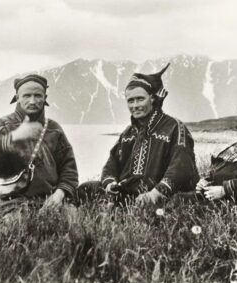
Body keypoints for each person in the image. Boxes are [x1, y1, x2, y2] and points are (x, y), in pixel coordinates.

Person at [78, 64, 199, 206]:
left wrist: (157, 193)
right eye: (130, 100)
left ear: (152, 98)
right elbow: (112, 163)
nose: (135, 105)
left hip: (159, 194)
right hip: (128, 192)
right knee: (83, 189)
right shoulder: (128, 133)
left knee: (174, 203)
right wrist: (110, 184)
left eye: (140, 99)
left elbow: (181, 166)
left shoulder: (174, 127)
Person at [0, 74, 78, 214]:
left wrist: (60, 194)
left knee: (73, 224)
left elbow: (69, 169)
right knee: (13, 230)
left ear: (45, 98)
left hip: (50, 201)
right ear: (17, 97)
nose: (32, 101)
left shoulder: (54, 129)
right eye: (26, 95)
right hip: (11, 203)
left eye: (38, 95)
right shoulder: (3, 125)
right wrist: (12, 139)